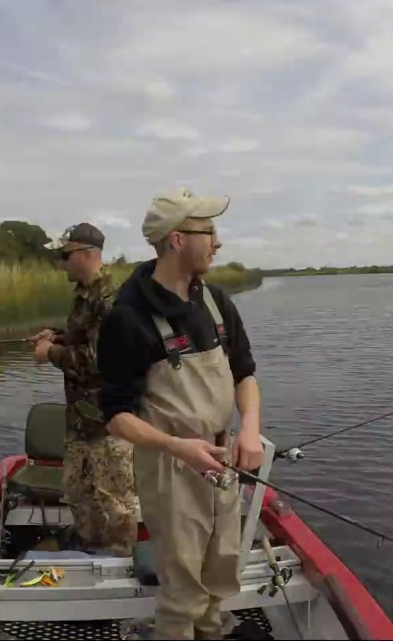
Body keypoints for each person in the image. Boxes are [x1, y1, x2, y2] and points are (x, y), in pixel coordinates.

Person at [96, 189, 262, 640]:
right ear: (176, 240)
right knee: (182, 585)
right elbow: (115, 416)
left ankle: (210, 632)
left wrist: (249, 429)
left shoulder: (215, 302)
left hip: (222, 459)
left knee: (221, 569)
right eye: (208, 231)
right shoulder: (127, 319)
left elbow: (245, 374)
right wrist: (176, 447)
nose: (218, 242)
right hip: (171, 466)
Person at [30, 222, 138, 557]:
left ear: (88, 254)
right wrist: (57, 335)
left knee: (114, 499)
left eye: (66, 255)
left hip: (108, 421)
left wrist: (50, 353)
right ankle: (89, 547)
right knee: (78, 492)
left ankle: (120, 559)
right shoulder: (84, 294)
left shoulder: (111, 299)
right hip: (80, 420)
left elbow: (97, 360)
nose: (61, 263)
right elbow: (85, 336)